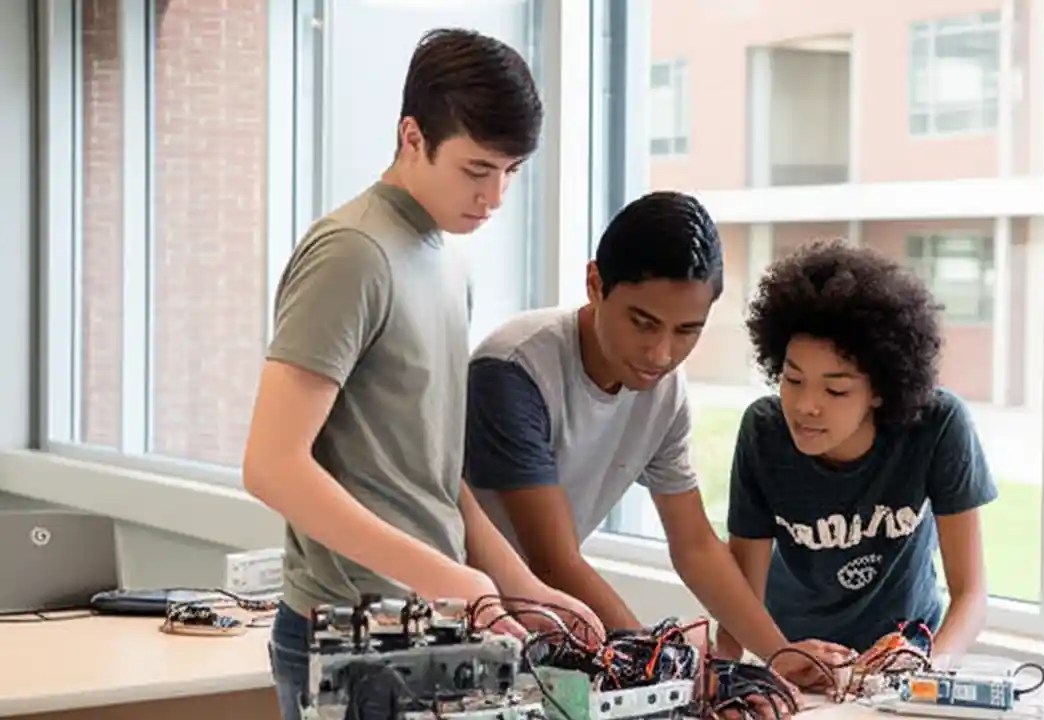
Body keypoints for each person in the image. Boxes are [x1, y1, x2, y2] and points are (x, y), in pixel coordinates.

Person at [241, 28, 602, 720]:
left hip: (433, 623)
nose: (494, 196)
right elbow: (271, 466)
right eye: (476, 170)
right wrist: (453, 581)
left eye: (512, 170)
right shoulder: (352, 254)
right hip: (350, 633)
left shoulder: (446, 260)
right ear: (412, 136)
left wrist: (519, 584)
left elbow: (431, 473)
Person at [464, 191, 852, 693]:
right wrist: (676, 670)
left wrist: (775, 652)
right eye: (642, 323)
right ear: (594, 284)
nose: (661, 353)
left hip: (540, 627)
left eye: (687, 331)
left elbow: (693, 544)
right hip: (457, 618)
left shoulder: (664, 391)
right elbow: (553, 559)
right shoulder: (513, 371)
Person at [715, 239, 996, 663]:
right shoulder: (764, 434)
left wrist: (928, 669)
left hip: (908, 653)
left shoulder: (937, 425)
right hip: (795, 655)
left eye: (835, 388)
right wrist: (742, 671)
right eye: (792, 380)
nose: (806, 405)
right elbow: (740, 596)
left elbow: (971, 592)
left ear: (880, 390)